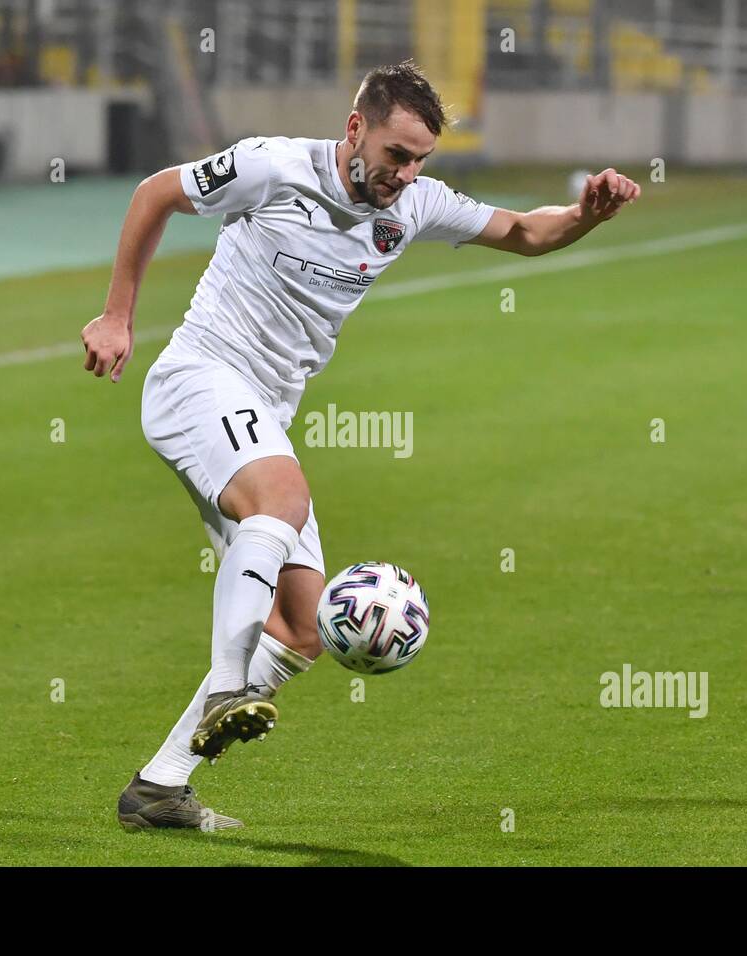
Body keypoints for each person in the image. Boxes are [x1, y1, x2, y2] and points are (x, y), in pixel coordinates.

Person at [82, 61, 640, 829]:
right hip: (198, 378)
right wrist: (117, 317)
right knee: (281, 499)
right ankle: (224, 685)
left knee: (306, 626)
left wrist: (586, 215)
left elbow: (521, 231)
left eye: (419, 162)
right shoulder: (270, 166)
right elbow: (157, 194)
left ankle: (160, 787)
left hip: (262, 416)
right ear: (355, 129)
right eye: (396, 156)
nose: (406, 175)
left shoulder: (411, 206)